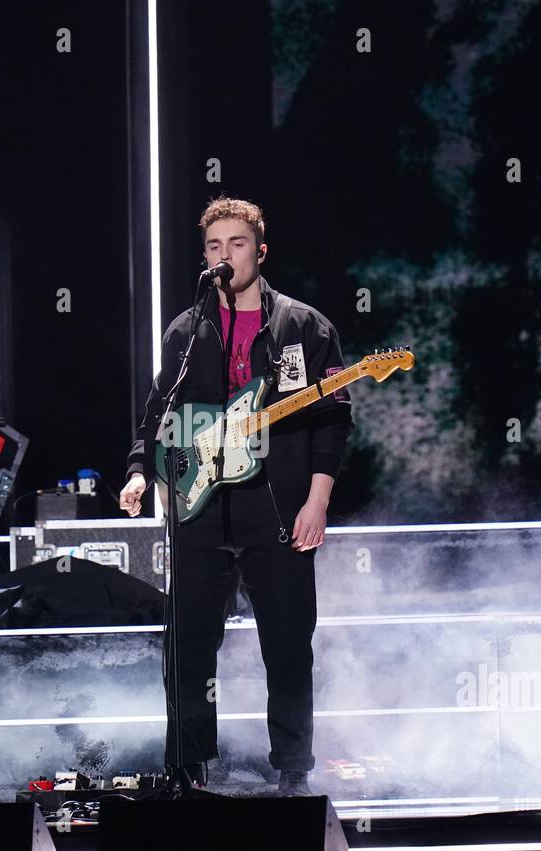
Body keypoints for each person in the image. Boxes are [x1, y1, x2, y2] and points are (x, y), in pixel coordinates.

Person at [119, 196, 353, 796]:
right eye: (214, 247)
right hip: (198, 508)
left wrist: (317, 502)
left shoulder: (303, 326)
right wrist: (142, 472)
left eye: (237, 244)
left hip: (276, 505)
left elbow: (332, 420)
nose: (225, 256)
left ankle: (293, 771)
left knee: (288, 643)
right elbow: (158, 412)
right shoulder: (186, 330)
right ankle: (189, 766)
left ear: (260, 251)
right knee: (187, 644)